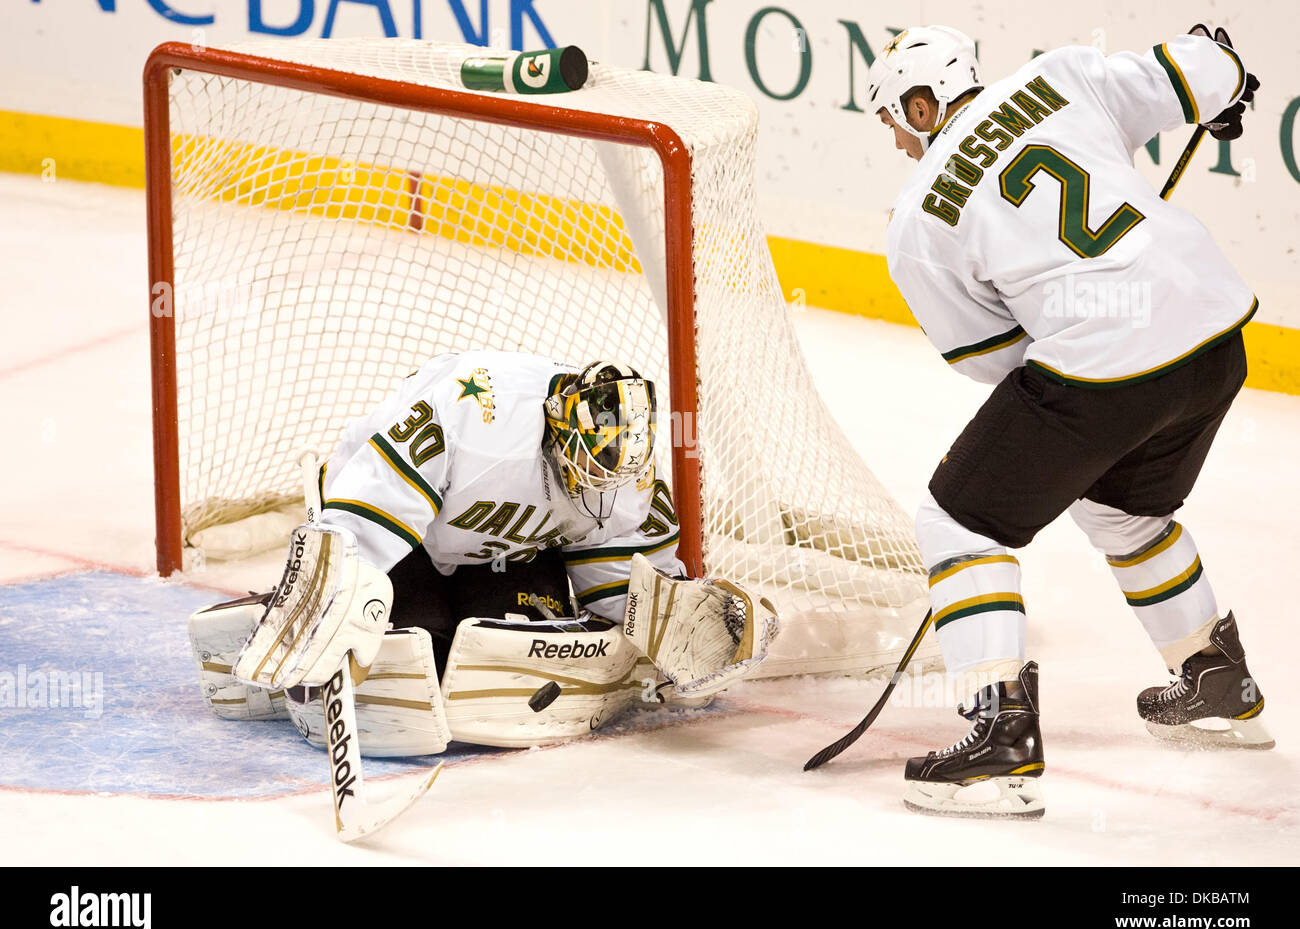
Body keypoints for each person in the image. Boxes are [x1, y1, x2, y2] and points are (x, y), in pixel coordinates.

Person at [864, 25, 1269, 818]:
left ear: (921, 104)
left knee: (960, 523)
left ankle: (997, 741)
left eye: (896, 124)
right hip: (1216, 339)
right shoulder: (1062, 75)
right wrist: (1224, 92)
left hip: (1114, 369)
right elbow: (1211, 69)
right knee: (1124, 509)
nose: (901, 144)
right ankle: (1215, 679)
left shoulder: (918, 217)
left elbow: (994, 362)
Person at [188, 350, 775, 754]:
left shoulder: (624, 469)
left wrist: (669, 622)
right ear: (558, 429)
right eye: (587, 476)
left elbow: (616, 588)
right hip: (397, 537)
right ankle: (272, 619)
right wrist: (335, 592)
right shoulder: (471, 416)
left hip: (506, 554)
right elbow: (365, 511)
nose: (600, 495)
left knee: (526, 650)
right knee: (417, 654)